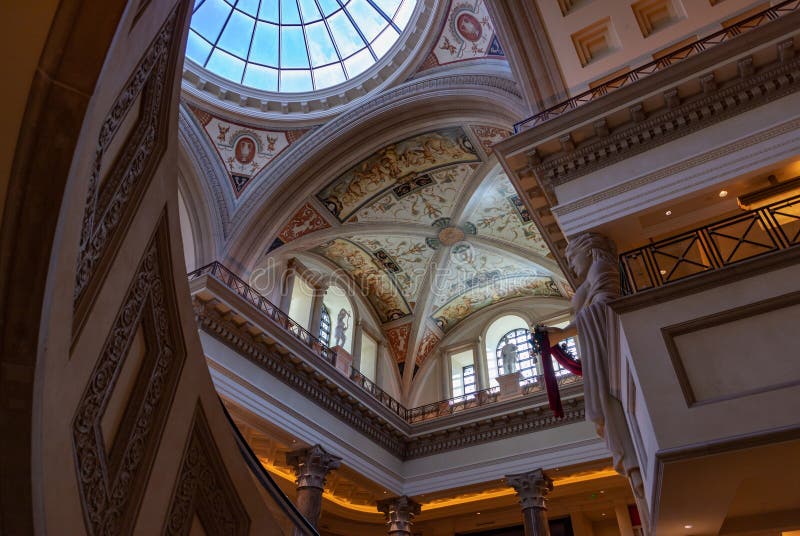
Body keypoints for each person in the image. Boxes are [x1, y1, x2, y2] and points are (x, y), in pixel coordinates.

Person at [542, 233, 646, 508]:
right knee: (612, 415)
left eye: (573, 257)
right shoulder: (593, 274)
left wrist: (562, 333)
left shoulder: (601, 267)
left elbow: (607, 307)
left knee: (614, 411)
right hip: (598, 353)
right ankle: (636, 469)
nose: (572, 265)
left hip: (607, 353)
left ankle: (637, 467)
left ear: (589, 251)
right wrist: (561, 334)